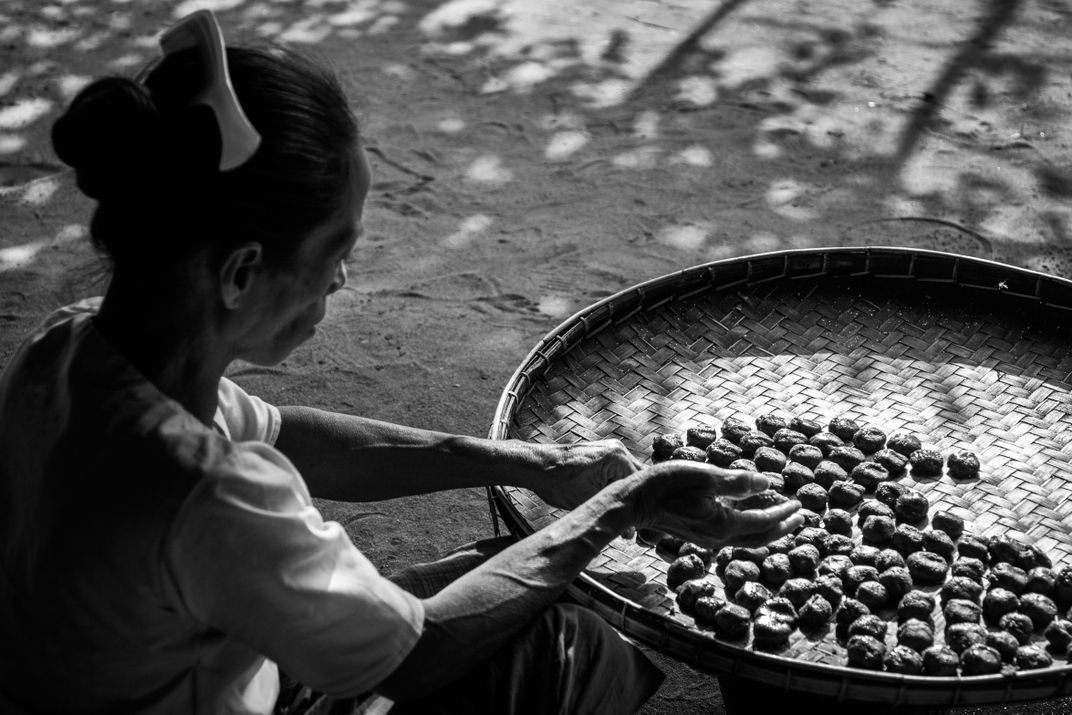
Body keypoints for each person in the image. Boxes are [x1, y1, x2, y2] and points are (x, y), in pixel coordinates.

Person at [0, 11, 802, 714]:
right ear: (242, 273)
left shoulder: (69, 348)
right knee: (559, 639)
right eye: (333, 250)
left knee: (509, 570)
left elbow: (285, 437)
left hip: (129, 669)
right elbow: (419, 660)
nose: (342, 278)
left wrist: (542, 464)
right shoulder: (211, 499)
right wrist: (622, 506)